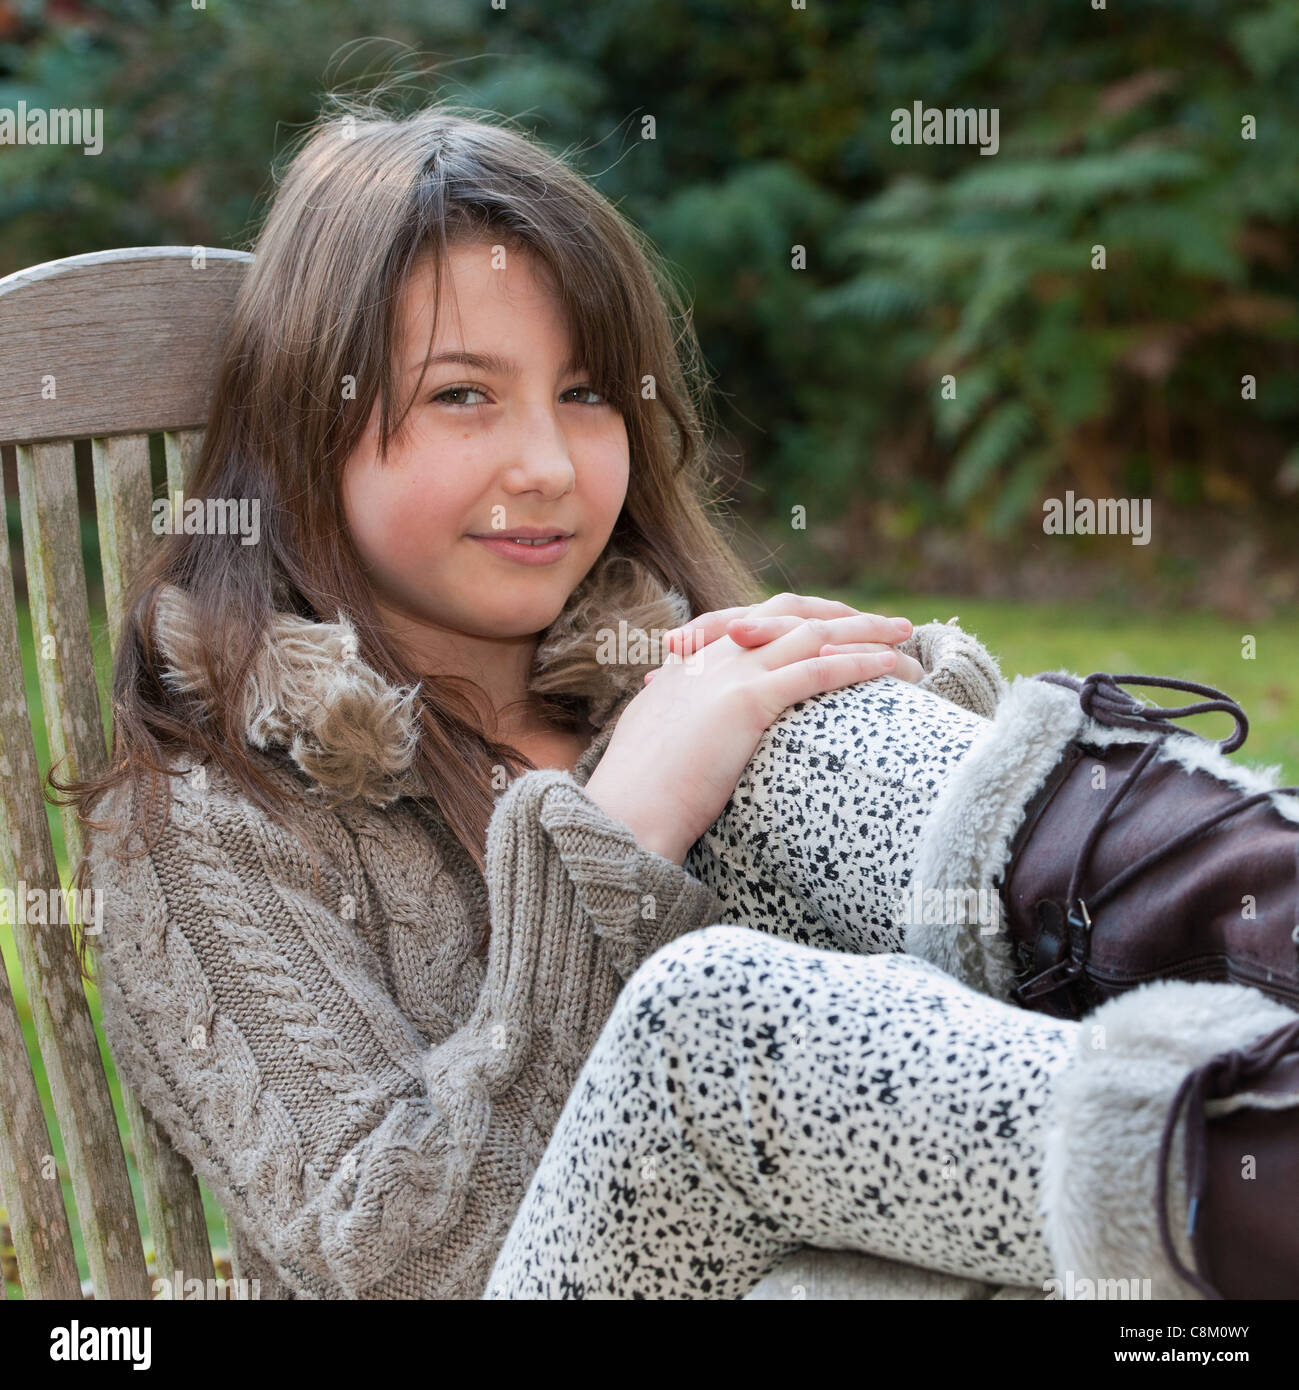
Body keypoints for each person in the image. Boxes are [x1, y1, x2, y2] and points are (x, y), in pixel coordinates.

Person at [57, 99, 1297, 1302]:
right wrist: (615, 838)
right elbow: (396, 1261)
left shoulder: (653, 679)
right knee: (706, 1035)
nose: (546, 464)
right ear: (301, 427)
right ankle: (1250, 1176)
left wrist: (898, 701)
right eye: (462, 394)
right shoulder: (202, 825)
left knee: (790, 706)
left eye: (587, 392)